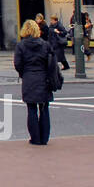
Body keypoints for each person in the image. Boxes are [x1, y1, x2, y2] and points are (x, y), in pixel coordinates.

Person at [13, 17, 58, 145]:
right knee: (44, 108)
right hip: (44, 78)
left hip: (29, 78)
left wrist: (24, 73)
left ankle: (35, 138)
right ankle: (44, 138)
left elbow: (17, 64)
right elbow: (51, 62)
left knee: (31, 109)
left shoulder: (21, 45)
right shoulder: (45, 44)